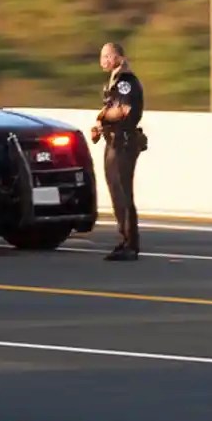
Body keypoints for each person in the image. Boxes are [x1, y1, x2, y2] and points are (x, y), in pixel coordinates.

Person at [90, 42, 145, 261]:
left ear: (117, 58)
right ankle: (125, 239)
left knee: (123, 192)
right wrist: (100, 126)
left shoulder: (126, 82)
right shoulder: (114, 82)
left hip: (122, 143)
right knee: (116, 192)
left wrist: (103, 117)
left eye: (106, 56)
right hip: (113, 141)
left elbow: (124, 110)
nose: (102, 61)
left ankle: (130, 243)